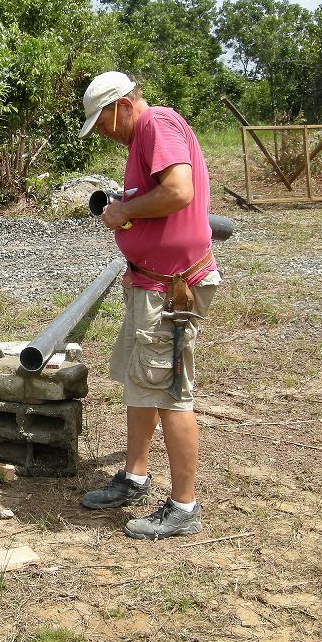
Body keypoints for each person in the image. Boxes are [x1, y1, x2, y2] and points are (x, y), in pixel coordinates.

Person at [77, 71, 219, 539]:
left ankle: (184, 506)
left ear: (121, 104)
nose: (102, 131)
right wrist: (129, 210)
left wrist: (124, 212)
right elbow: (161, 198)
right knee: (142, 381)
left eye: (102, 121)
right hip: (151, 284)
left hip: (170, 291)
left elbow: (179, 191)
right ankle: (134, 476)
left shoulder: (155, 124)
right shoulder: (144, 137)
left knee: (171, 394)